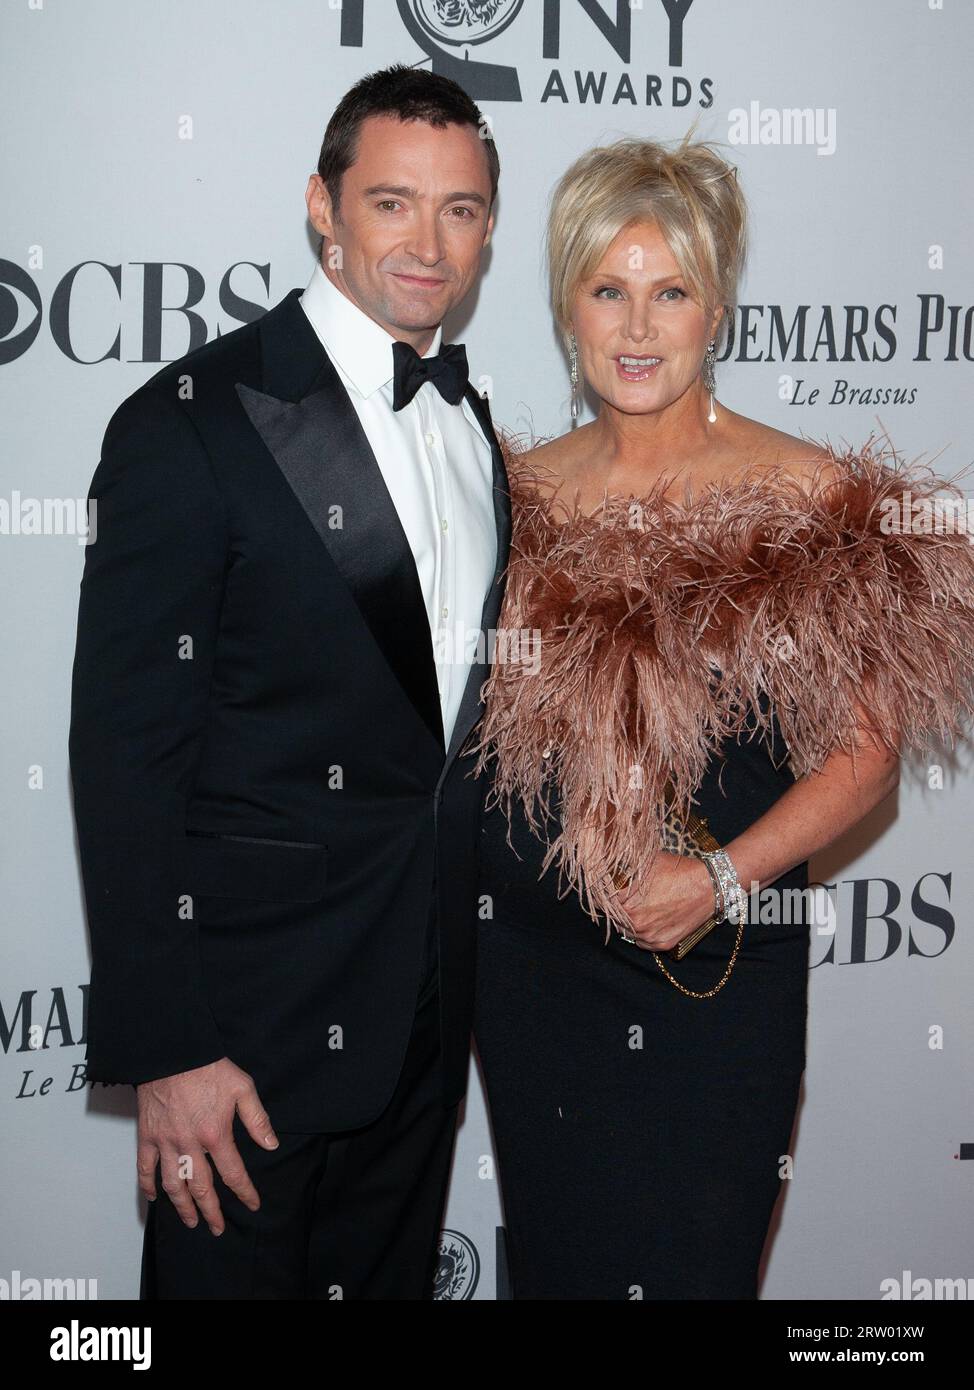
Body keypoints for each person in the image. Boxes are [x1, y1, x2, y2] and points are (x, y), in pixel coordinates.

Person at [464, 134, 974, 1300]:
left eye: (669, 292)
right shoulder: (514, 497)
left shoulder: (806, 495)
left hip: (717, 966)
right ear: (565, 305)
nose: (636, 328)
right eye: (607, 289)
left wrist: (722, 879)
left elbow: (865, 756)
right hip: (536, 973)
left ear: (717, 306)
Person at [68, 64, 510, 1300]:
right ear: (321, 206)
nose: (428, 243)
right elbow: (123, 759)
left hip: (422, 1025)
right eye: (390, 202)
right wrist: (169, 1049)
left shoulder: (476, 430)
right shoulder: (190, 420)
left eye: (461, 209)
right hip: (244, 1050)